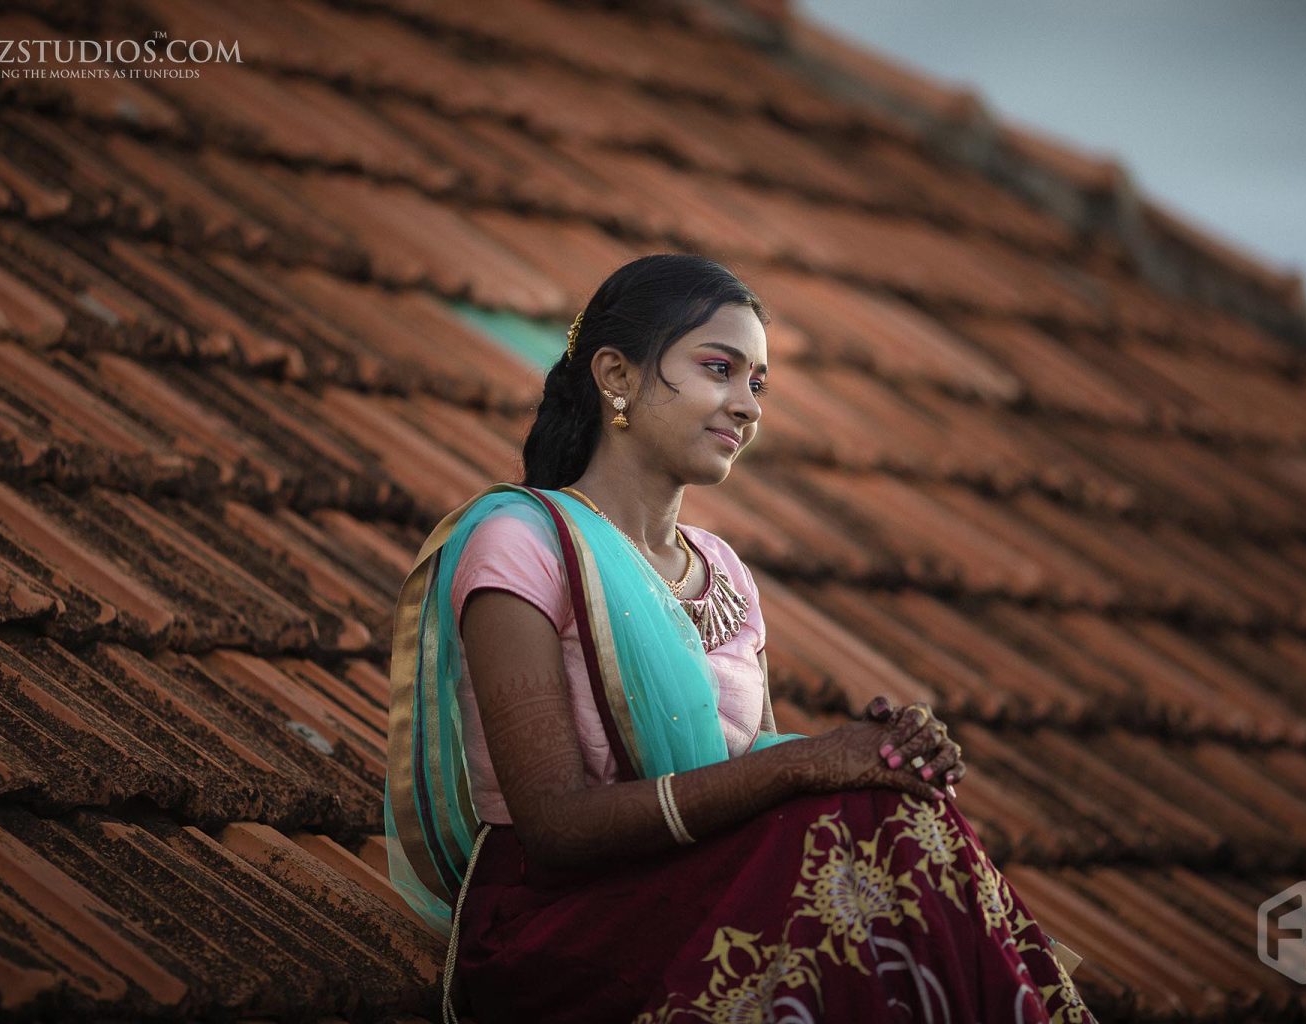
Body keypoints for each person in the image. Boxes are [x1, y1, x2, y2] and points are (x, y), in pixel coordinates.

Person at [384, 254, 1096, 1023]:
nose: (747, 405)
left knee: (896, 811)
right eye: (719, 368)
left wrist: (868, 759)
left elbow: (751, 769)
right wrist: (808, 764)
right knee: (865, 830)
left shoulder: (723, 570)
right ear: (616, 375)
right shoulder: (522, 542)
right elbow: (555, 826)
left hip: (706, 887)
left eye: (757, 383)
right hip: (563, 919)